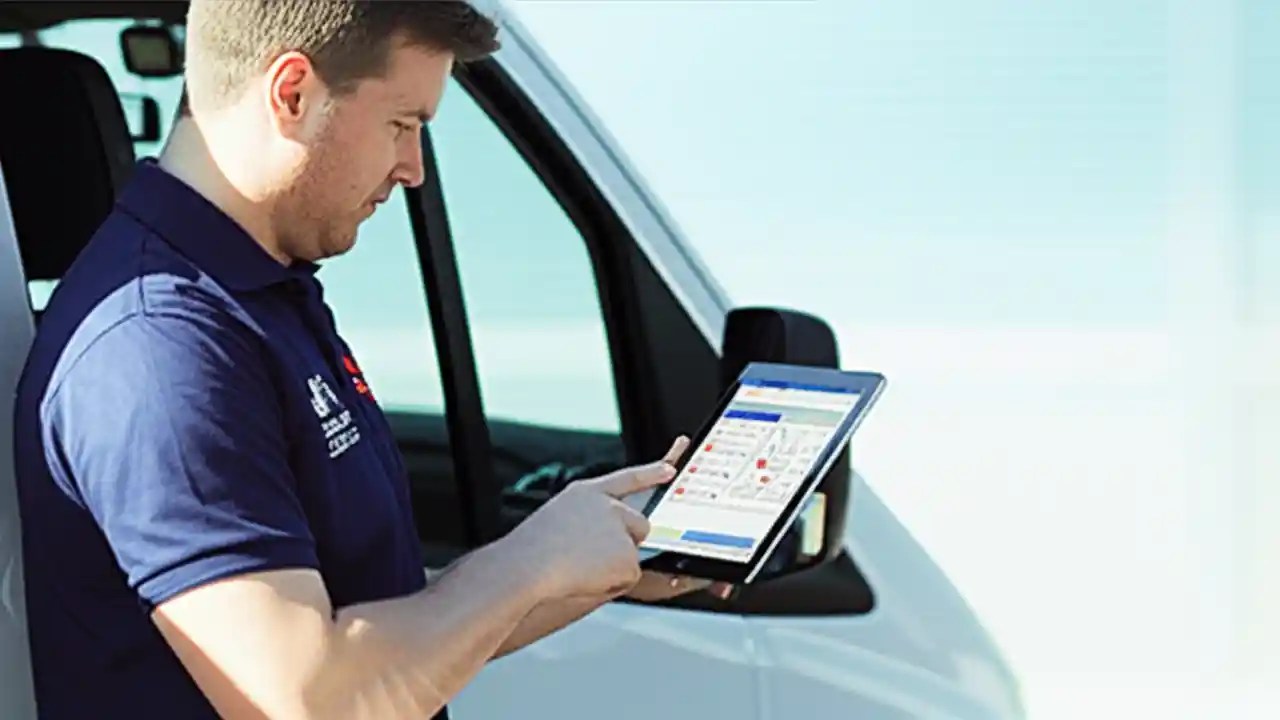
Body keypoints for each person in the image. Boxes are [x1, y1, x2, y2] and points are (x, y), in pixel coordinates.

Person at [12, 2, 727, 718]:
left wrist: (584, 568)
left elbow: (379, 623)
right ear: (291, 93)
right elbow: (307, 700)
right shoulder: (161, 345)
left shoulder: (260, 292)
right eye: (403, 124)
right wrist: (528, 561)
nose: (414, 168)